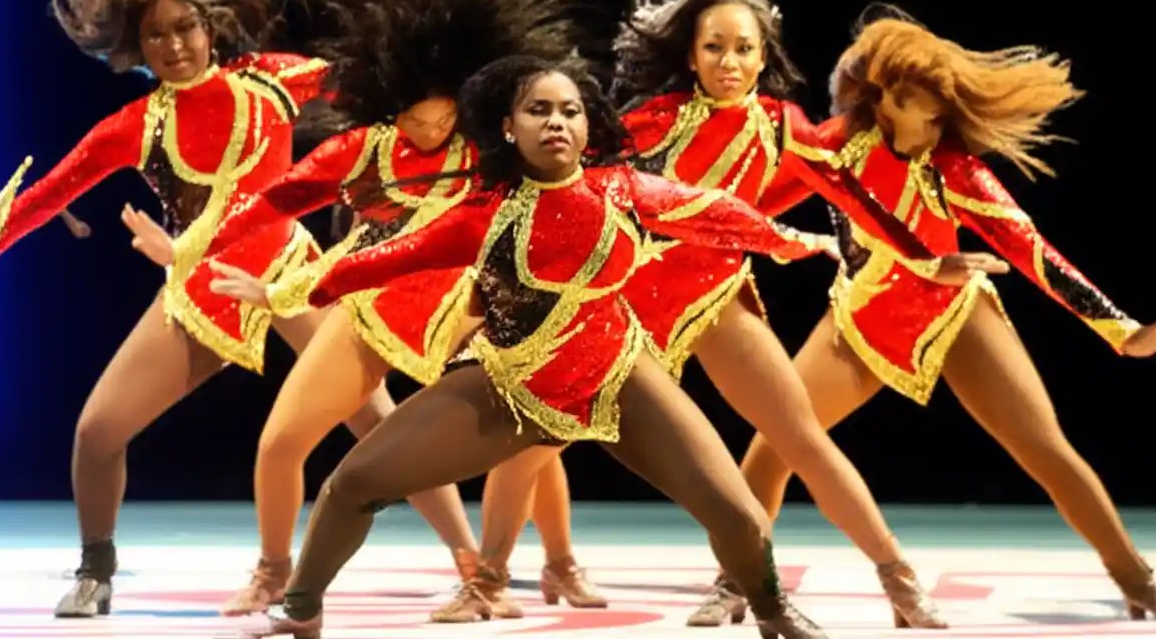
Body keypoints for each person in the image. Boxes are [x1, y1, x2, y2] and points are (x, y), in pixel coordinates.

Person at [209, 54, 831, 638]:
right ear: (508, 127)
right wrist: (280, 294)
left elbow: (714, 211)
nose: (556, 122)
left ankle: (773, 612)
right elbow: (380, 260)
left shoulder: (624, 191)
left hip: (616, 374)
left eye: (569, 110)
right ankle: (300, 612)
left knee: (741, 517)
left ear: (588, 125)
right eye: (539, 110)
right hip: (509, 382)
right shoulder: (484, 213)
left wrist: (791, 239)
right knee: (353, 483)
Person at [122, 0, 602, 617]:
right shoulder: (365, 149)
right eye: (411, 103)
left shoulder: (492, 149)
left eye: (441, 104)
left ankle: (536, 567)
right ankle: (273, 570)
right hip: (374, 310)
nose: (426, 119)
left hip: (469, 314)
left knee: (534, 442)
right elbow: (269, 204)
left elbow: (563, 201)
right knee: (281, 442)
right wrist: (191, 249)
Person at [0, 0, 354, 618]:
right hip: (200, 287)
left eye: (185, 27)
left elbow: (367, 87)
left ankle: (476, 567)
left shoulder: (273, 81)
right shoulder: (135, 124)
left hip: (289, 272)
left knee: (376, 421)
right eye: (156, 35)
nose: (174, 45)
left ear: (210, 28)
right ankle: (96, 568)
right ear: (136, 46)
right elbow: (49, 193)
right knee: (97, 432)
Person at [717, 6, 1156, 624]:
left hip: (955, 316)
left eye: (945, 108)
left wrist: (1120, 329)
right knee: (774, 441)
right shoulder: (831, 149)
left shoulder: (957, 170)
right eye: (926, 104)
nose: (938, 118)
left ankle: (1137, 577)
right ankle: (738, 579)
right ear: (888, 97)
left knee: (1046, 448)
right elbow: (747, 206)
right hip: (864, 320)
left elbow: (1032, 251)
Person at [606, 0, 1003, 629]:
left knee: (801, 439)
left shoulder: (781, 126)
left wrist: (923, 257)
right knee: (537, 432)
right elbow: (581, 181)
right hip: (631, 298)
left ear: (765, 58)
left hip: (718, 298)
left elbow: (853, 194)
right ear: (690, 54)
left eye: (743, 48)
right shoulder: (655, 120)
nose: (728, 61)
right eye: (714, 47)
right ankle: (495, 576)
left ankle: (896, 581)